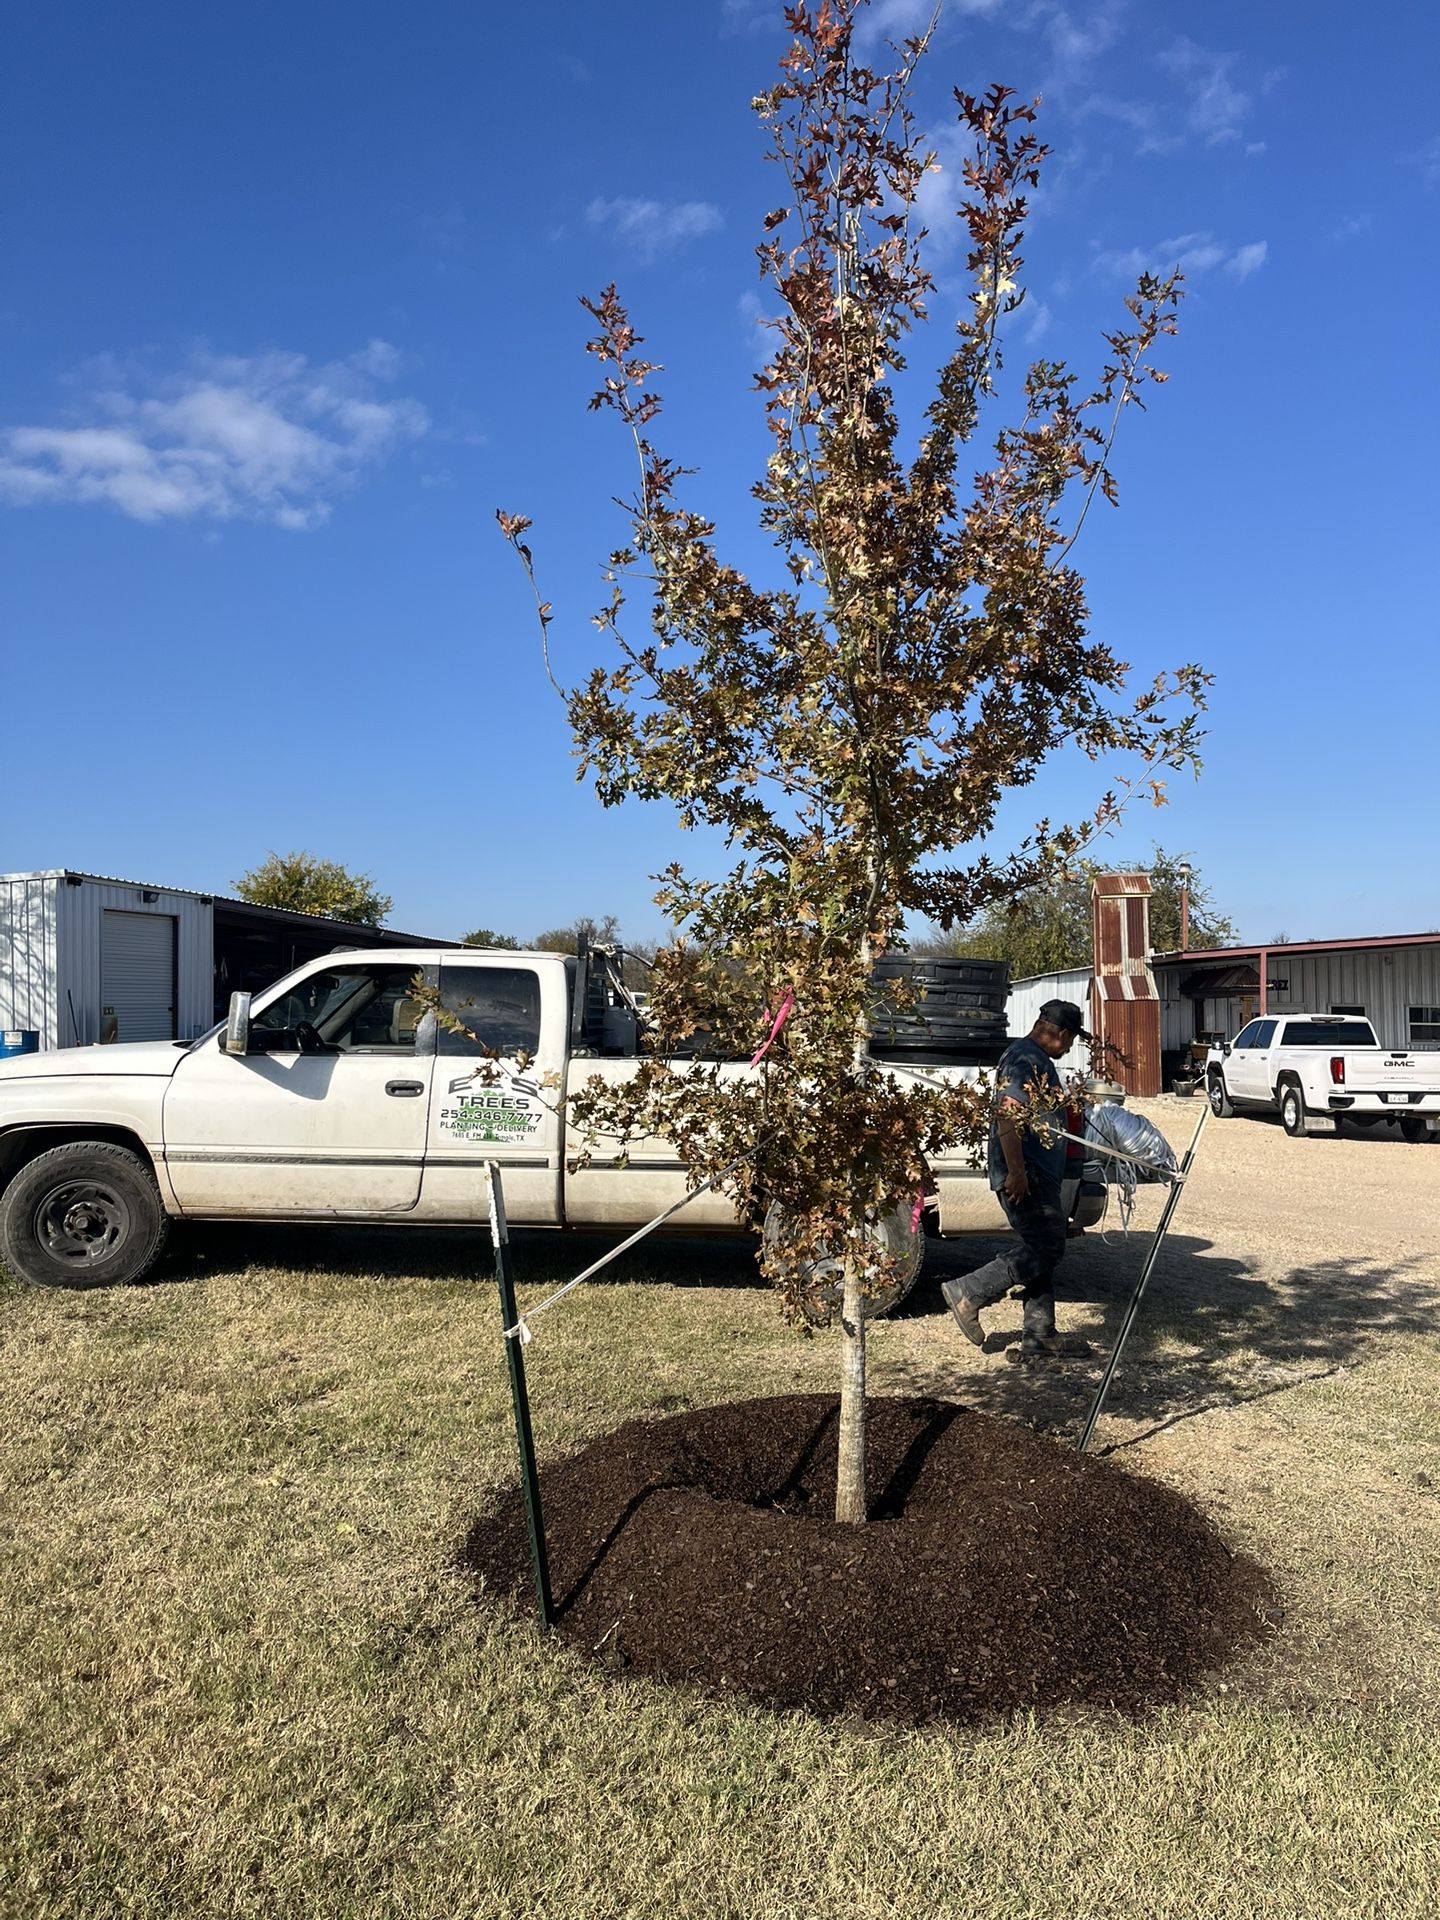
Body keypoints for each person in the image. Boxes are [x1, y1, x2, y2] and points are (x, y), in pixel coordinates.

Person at [942, 999, 1092, 1360]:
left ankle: (1039, 1334)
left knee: (1042, 1246)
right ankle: (969, 1291)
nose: (1070, 1048)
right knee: (1048, 1247)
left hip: (1038, 1172)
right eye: (1070, 1041)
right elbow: (1007, 1116)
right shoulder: (1025, 1058)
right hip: (1028, 1174)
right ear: (1059, 1033)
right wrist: (1017, 1172)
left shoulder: (1032, 1058)